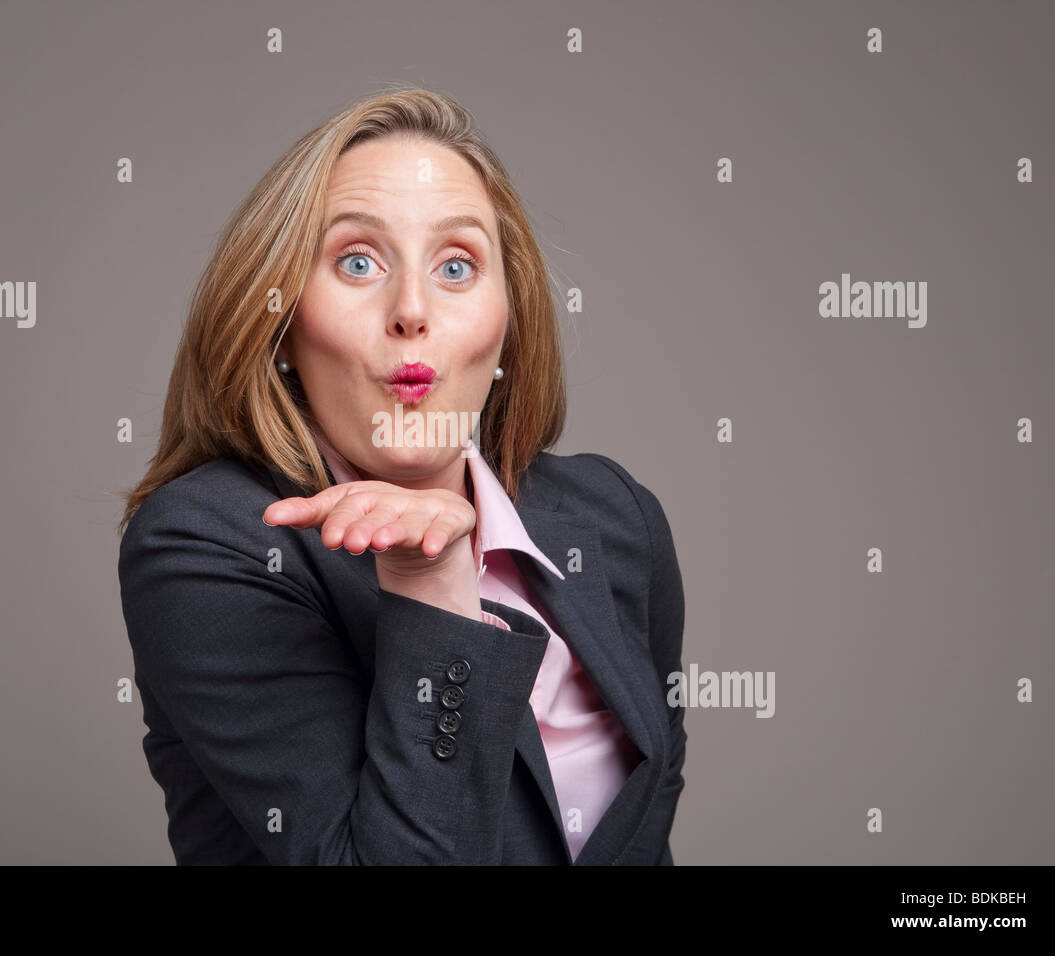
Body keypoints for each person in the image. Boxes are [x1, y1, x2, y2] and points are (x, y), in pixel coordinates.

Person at [116, 86, 686, 865]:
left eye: (457, 266)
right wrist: (431, 588)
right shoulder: (207, 543)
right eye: (357, 261)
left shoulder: (615, 517)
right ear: (279, 322)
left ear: (509, 327)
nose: (412, 309)